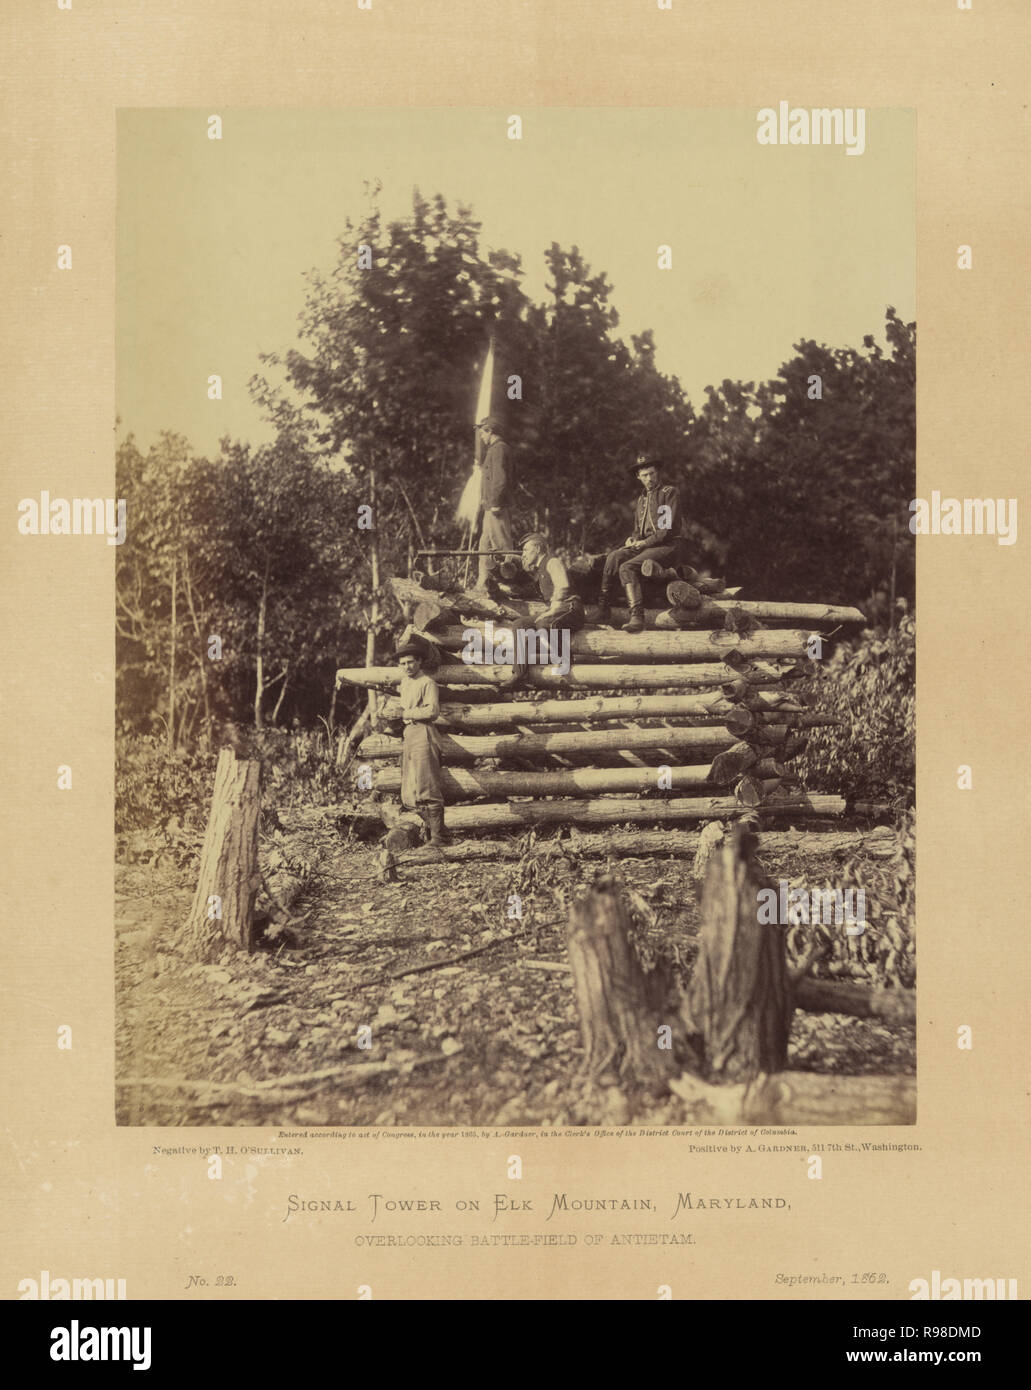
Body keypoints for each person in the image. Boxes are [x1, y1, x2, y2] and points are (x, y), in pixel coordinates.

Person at [597, 454, 686, 632]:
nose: (649, 478)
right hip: (647, 546)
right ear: (638, 477)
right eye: (644, 475)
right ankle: (603, 607)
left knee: (626, 567)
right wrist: (633, 539)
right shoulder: (642, 499)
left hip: (666, 547)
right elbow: (638, 530)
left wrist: (643, 543)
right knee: (614, 557)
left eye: (652, 474)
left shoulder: (667, 493)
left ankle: (637, 616)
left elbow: (665, 530)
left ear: (657, 473)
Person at [501, 531, 586, 688]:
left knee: (545, 623)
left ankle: (565, 660)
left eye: (526, 550)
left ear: (538, 548)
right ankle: (519, 673)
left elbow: (563, 586)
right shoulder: (539, 570)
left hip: (570, 608)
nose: (524, 554)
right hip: (557, 610)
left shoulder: (552, 562)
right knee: (520, 624)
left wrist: (553, 609)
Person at [394, 641, 449, 847]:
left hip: (424, 731)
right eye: (403, 663)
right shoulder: (405, 683)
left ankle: (439, 839)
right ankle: (438, 834)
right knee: (411, 789)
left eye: (410, 662)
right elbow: (402, 709)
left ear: (419, 662)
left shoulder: (427, 683)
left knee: (427, 785)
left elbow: (432, 711)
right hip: (410, 733)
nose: (407, 666)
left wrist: (405, 713)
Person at [475, 415, 516, 589]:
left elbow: (500, 478)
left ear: (490, 431)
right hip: (489, 506)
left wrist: (496, 503)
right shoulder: (494, 449)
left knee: (501, 544)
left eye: (482, 433)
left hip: (495, 506)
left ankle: (510, 581)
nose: (481, 437)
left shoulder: (499, 449)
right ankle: (483, 582)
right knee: (485, 545)